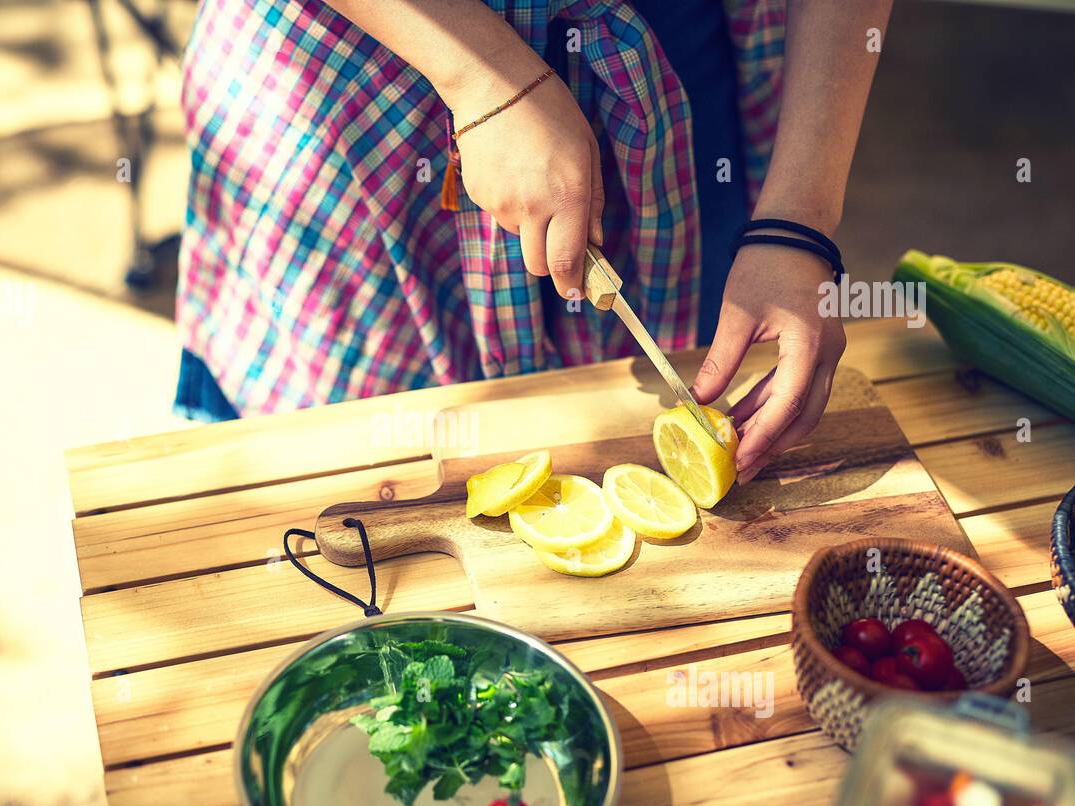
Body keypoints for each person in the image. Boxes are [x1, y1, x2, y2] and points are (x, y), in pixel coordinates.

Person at [175, 0, 890, 482]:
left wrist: (798, 218)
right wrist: (483, 78)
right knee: (341, 474)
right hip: (359, 82)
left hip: (675, 64)